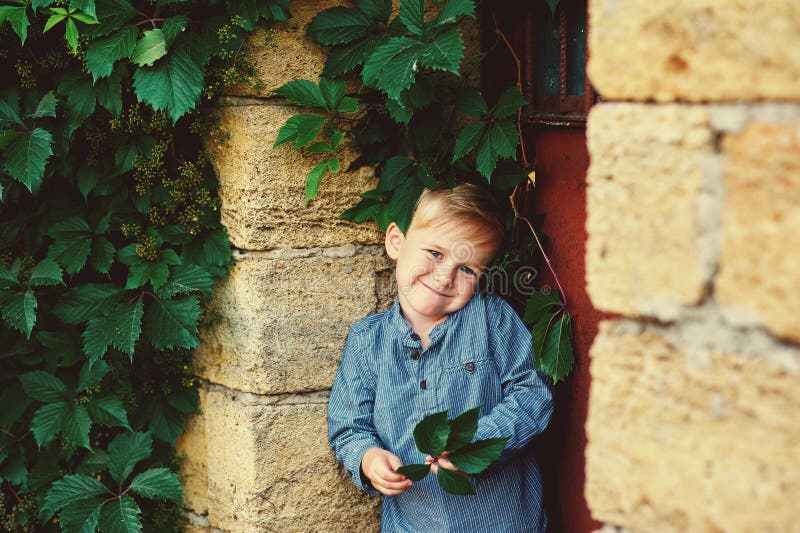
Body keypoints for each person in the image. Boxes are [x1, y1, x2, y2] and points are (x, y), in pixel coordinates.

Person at [328, 183, 554, 532]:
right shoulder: (367, 342)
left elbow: (533, 395)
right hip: (414, 523)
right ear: (396, 242)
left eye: (467, 269)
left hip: (502, 521)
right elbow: (349, 426)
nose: (445, 275)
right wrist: (368, 459)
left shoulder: (492, 320)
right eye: (435, 253)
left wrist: (482, 440)